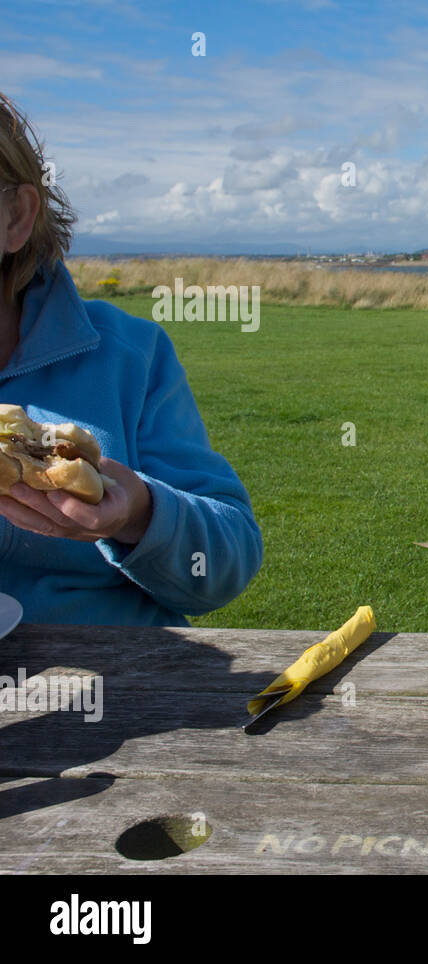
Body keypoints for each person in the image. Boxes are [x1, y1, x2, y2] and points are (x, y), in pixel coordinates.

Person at [0, 93, 262, 623]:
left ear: (16, 217)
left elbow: (228, 561)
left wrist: (138, 514)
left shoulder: (129, 356)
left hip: (128, 688)